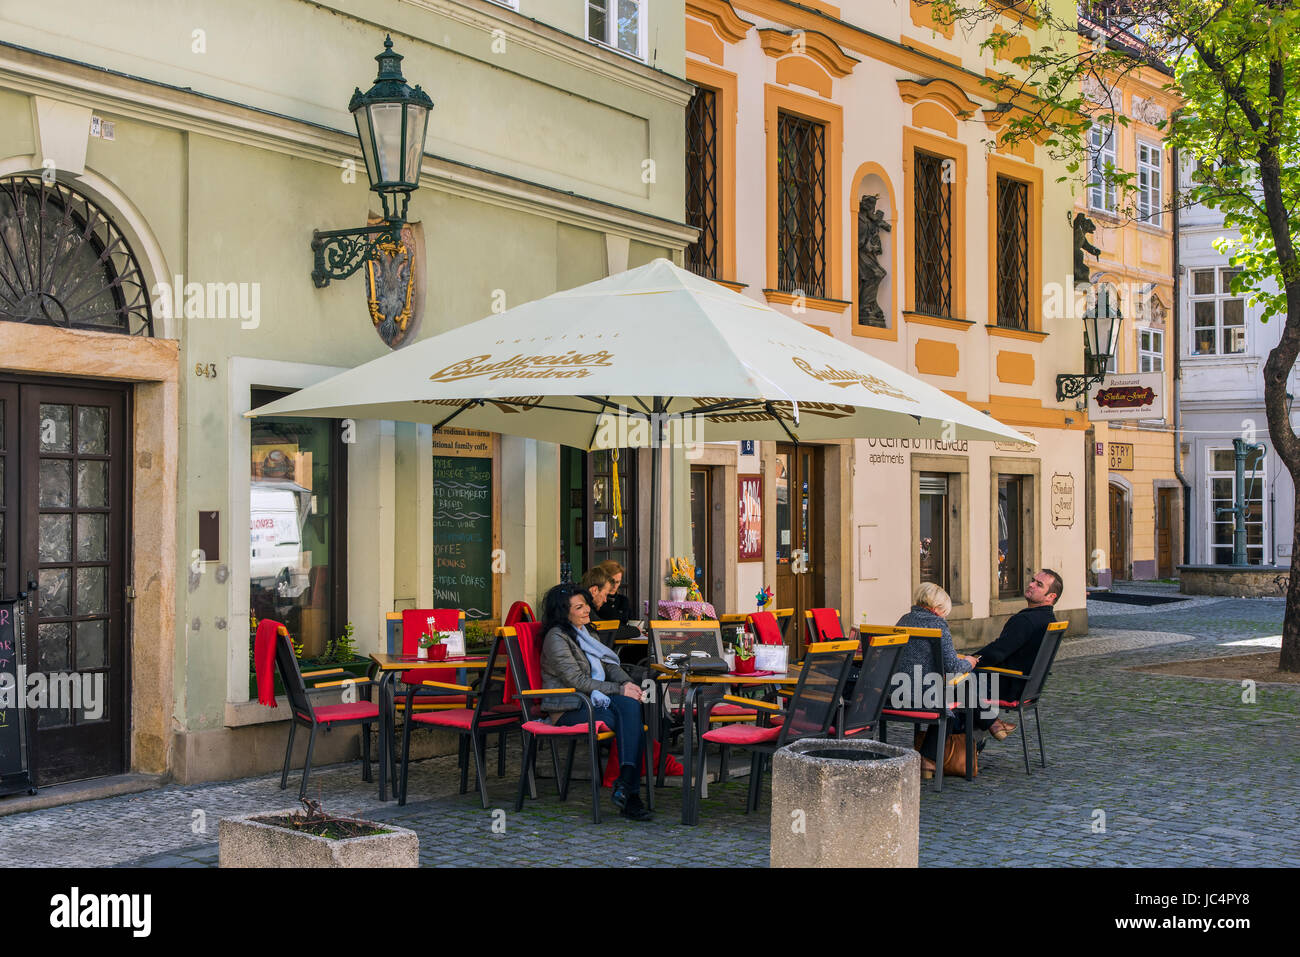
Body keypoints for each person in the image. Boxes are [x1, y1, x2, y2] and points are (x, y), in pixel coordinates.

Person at [538, 582, 652, 821]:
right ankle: (630, 794)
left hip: (594, 701)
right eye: (579, 607)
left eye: (586, 605)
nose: (587, 610)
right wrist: (620, 689)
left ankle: (626, 784)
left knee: (631, 707)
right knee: (624, 717)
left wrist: (629, 685)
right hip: (569, 707)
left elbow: (610, 666)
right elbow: (577, 680)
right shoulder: (556, 638)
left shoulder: (587, 633)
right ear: (563, 612)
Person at [893, 583, 977, 779]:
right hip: (925, 696)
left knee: (955, 695)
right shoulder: (937, 624)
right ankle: (929, 759)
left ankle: (991, 723)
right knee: (959, 697)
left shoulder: (903, 620)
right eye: (944, 612)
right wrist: (970, 662)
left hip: (897, 692)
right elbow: (953, 667)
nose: (944, 616)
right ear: (937, 608)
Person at [969, 568, 1062, 741]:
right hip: (1027, 687)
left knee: (955, 682)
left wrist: (972, 660)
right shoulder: (1049, 620)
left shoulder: (1026, 620)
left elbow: (998, 652)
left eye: (1038, 584)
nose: (1031, 584)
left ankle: (959, 749)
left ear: (1051, 597)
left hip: (1009, 685)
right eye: (1033, 580)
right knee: (964, 681)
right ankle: (992, 724)